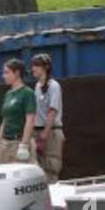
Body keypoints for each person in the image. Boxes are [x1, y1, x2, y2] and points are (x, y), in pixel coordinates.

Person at [0, 59, 37, 166]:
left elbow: (30, 119)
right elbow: (5, 121)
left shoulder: (27, 93)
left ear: (17, 73)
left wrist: (24, 144)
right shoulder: (8, 94)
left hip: (18, 142)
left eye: (7, 72)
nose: (3, 76)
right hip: (5, 143)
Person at [30, 53, 65, 182]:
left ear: (45, 67)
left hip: (51, 131)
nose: (33, 69)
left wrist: (44, 135)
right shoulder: (37, 86)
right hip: (37, 131)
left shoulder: (54, 86)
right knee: (38, 169)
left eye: (36, 66)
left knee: (51, 167)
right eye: (33, 66)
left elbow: (52, 111)